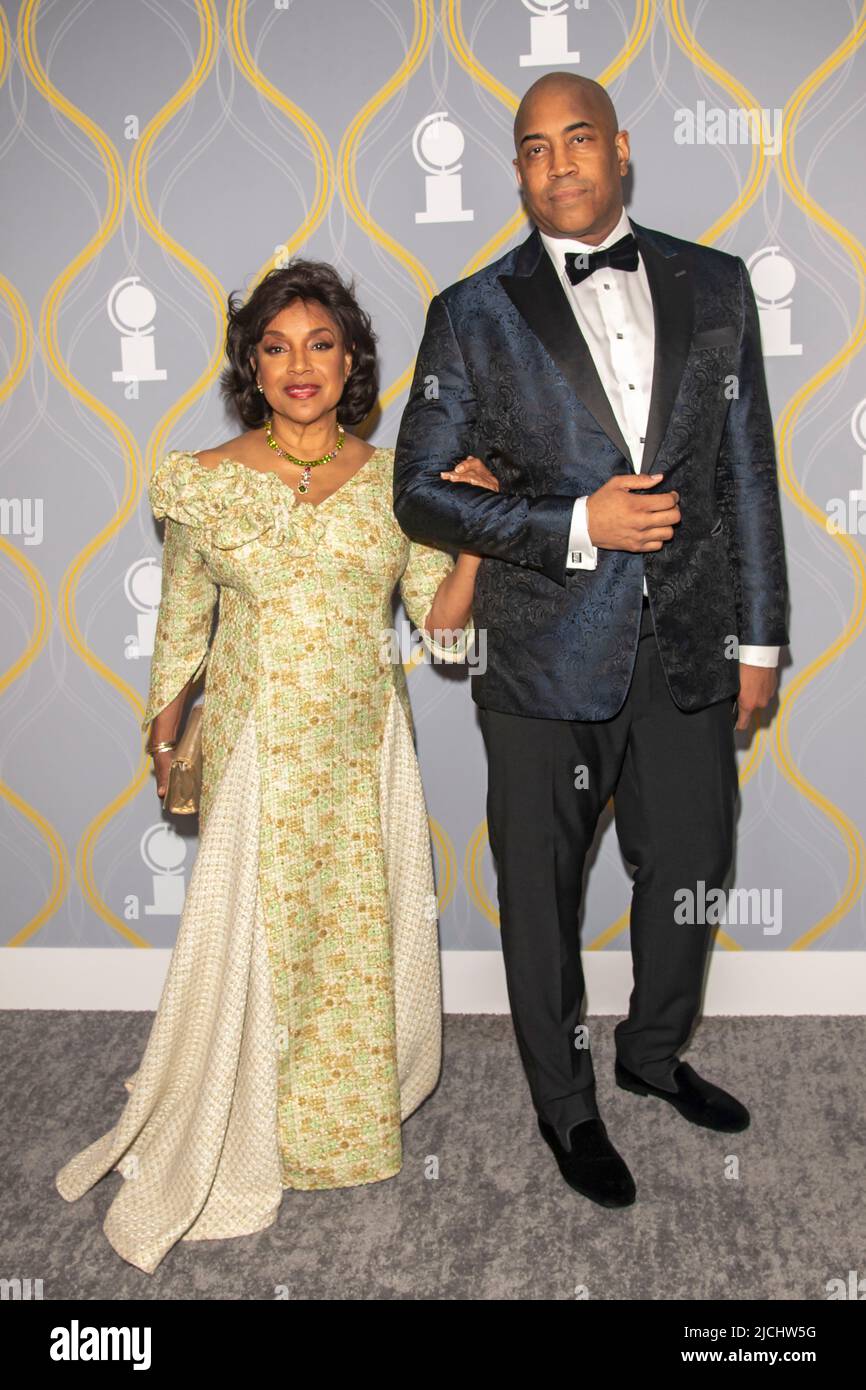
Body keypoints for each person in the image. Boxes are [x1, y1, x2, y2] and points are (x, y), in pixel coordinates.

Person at [393, 72, 789, 1209]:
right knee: (541, 892)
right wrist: (575, 524)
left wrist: (758, 638)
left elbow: (746, 471)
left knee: (690, 871)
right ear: (514, 170)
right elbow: (417, 493)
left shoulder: (713, 286)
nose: (556, 163)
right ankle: (565, 1107)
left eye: (576, 140)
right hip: (537, 658)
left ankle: (650, 1053)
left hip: (687, 645)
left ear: (619, 150)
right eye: (531, 148)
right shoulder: (468, 311)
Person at [55, 259, 497, 1273]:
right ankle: (239, 1114)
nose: (300, 366)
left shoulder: (396, 482)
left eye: (321, 344)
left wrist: (469, 536)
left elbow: (439, 633)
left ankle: (336, 1128)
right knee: (261, 942)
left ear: (352, 362)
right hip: (261, 750)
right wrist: (166, 739)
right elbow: (183, 626)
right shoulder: (202, 481)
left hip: (364, 752)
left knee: (351, 945)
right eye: (276, 346)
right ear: (251, 365)